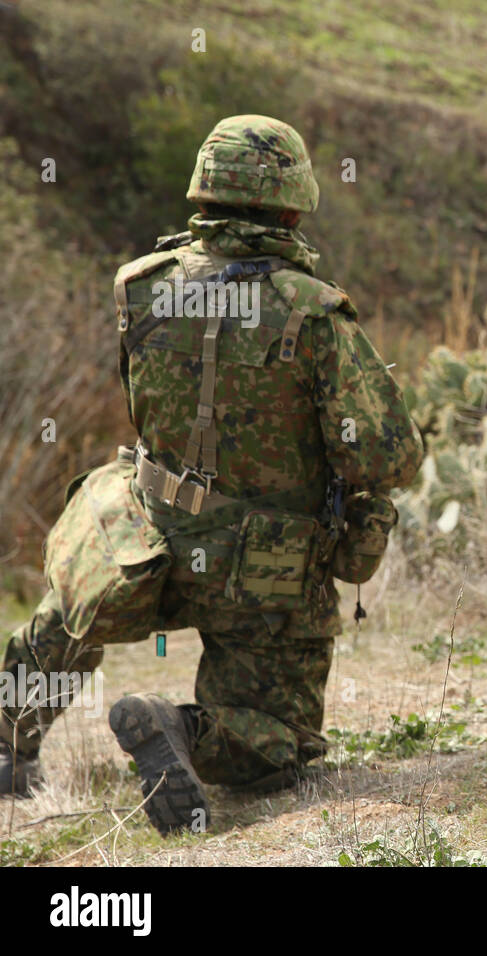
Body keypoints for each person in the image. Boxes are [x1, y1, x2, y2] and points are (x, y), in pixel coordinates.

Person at [0, 115, 423, 833]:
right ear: (293, 205)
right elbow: (387, 458)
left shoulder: (139, 285)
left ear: (203, 191)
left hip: (149, 538)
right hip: (263, 574)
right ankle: (181, 729)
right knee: (280, 747)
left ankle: (9, 737)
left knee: (77, 596)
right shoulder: (316, 313)